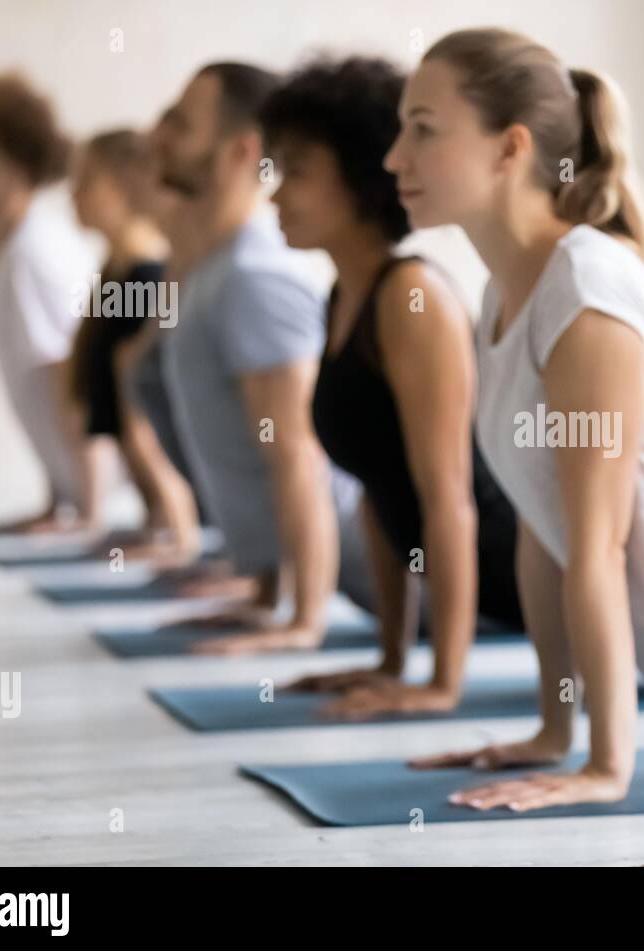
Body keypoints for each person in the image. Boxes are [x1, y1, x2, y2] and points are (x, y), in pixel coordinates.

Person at [386, 29, 644, 810]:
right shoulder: (504, 292)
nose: (395, 158)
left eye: (423, 130)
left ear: (510, 148)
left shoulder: (586, 289)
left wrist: (606, 767)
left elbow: (598, 545)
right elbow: (546, 530)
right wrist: (551, 728)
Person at [258, 56, 524, 717]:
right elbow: (378, 485)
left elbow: (450, 501)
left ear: (360, 176)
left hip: (518, 581)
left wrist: (441, 685)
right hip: (476, 591)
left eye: (297, 172)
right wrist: (390, 658)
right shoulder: (342, 299)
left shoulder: (412, 298)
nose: (275, 196)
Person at [147, 62, 371, 651]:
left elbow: (297, 455)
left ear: (241, 151)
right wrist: (265, 597)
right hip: (362, 583)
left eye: (182, 124)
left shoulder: (253, 274)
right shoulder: (216, 268)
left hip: (402, 577)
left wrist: (303, 623)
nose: (158, 136)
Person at [0, 72, 95, 531]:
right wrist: (57, 500)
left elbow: (73, 378)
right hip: (74, 489)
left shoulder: (35, 252)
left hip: (100, 493)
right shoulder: (7, 250)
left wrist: (88, 514)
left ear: (15, 161)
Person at [68, 129, 201, 561]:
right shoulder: (119, 270)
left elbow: (144, 415)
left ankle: (171, 526)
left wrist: (180, 535)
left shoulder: (147, 276)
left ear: (122, 184)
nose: (73, 194)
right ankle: (158, 520)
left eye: (86, 180)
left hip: (184, 504)